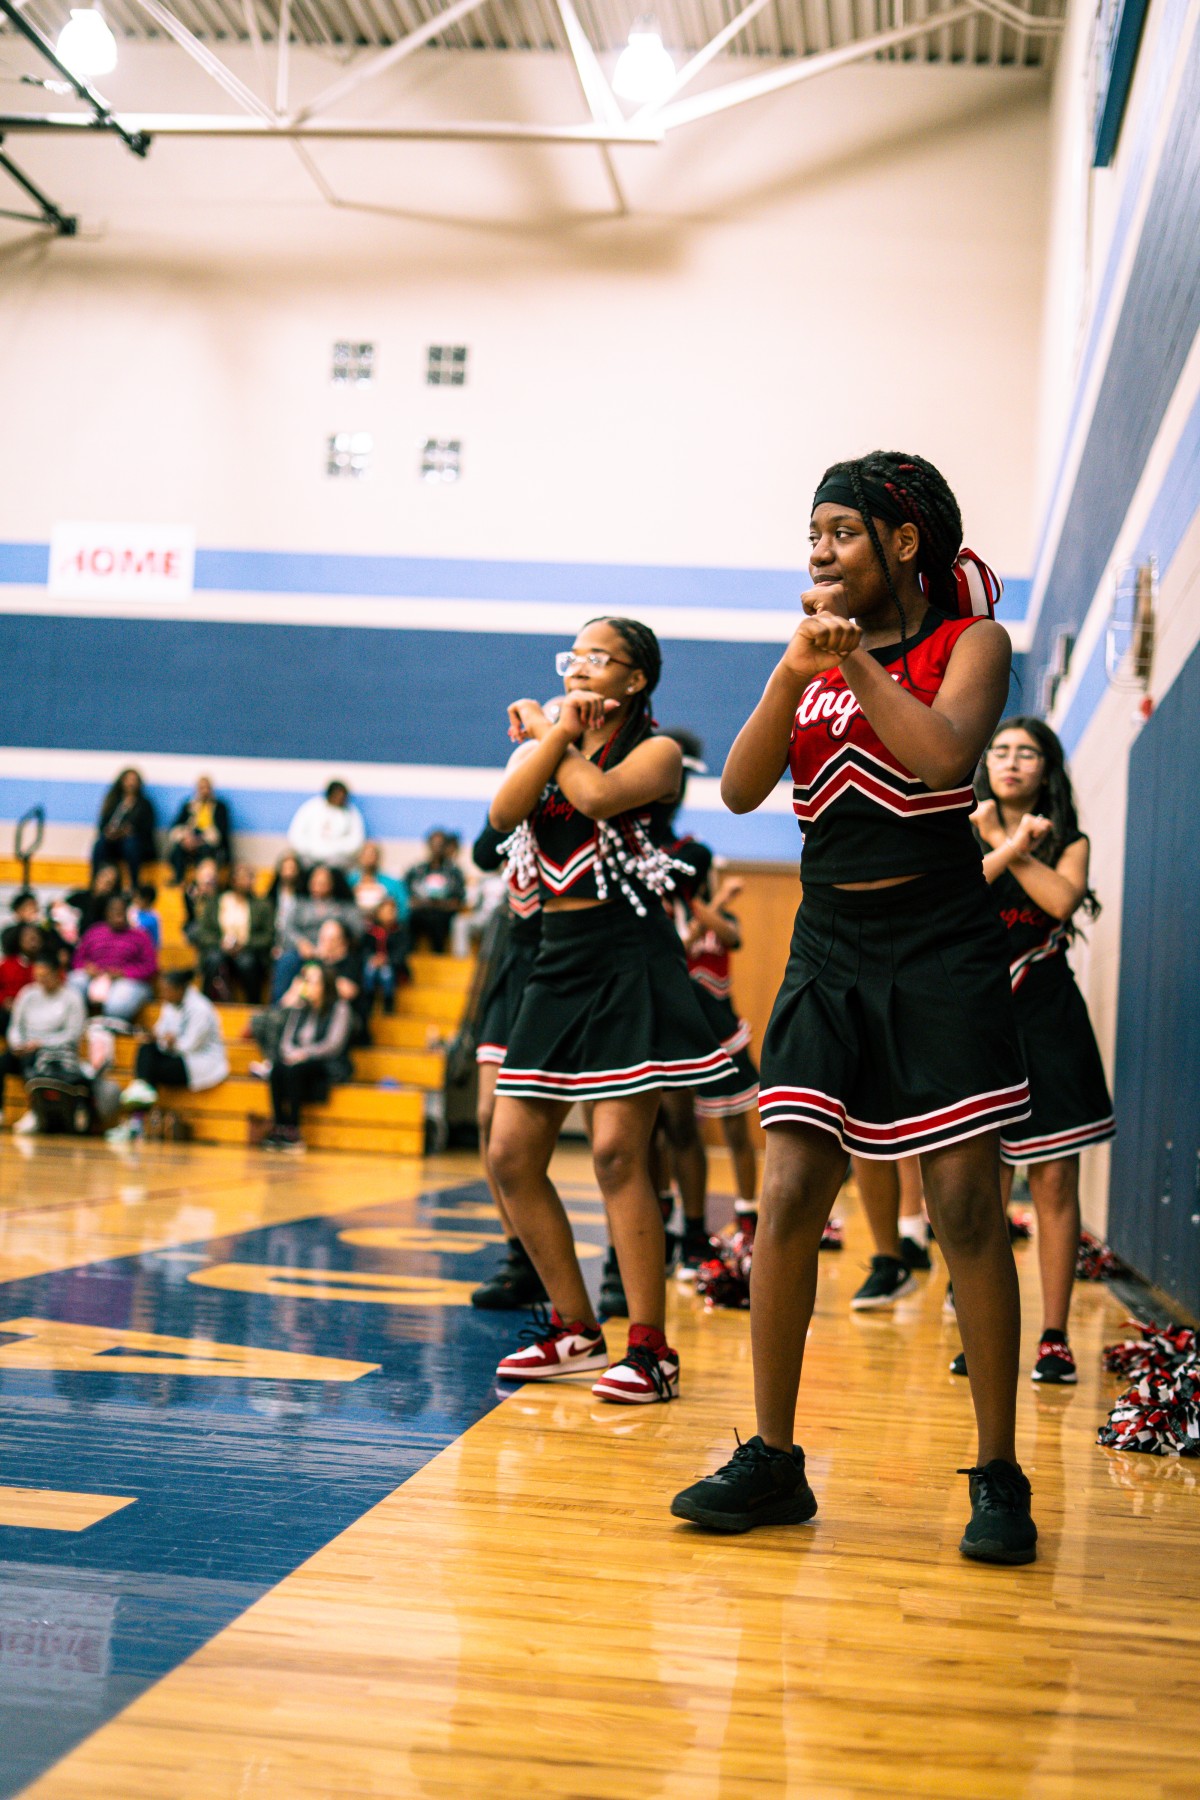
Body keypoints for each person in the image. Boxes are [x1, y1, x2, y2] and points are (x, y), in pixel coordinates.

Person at [671, 450, 1037, 1565]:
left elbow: (939, 762)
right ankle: (776, 1460)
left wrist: (857, 671)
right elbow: (737, 789)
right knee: (787, 1193)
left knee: (967, 1204)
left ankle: (999, 1471)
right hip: (828, 946)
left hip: (939, 943)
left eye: (839, 532)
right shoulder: (810, 657)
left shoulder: (969, 643)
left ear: (903, 541)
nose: (820, 553)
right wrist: (793, 674)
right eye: (813, 537)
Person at [485, 617, 734, 1405]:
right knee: (510, 1156)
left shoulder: (656, 753)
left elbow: (592, 797)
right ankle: (575, 1328)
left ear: (636, 680)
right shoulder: (550, 742)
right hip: (555, 964)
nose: (581, 667)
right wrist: (554, 734)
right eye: (575, 655)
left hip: (628, 957)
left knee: (620, 1154)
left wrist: (554, 733)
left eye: (601, 657)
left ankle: (651, 1349)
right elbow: (503, 815)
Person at [948, 716, 1115, 1387]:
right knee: (976, 1187)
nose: (1012, 762)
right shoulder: (956, 834)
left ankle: (1053, 1337)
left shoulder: (1070, 842)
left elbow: (1058, 900)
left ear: (1047, 770)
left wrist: (1006, 842)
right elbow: (961, 895)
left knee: (1052, 1181)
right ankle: (983, 1333)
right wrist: (998, 839)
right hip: (977, 1021)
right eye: (1002, 751)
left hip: (1047, 1021)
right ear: (984, 765)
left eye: (1028, 753)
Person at [468, 813, 548, 1312]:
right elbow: (482, 851)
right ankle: (519, 1255)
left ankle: (609, 1262)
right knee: (486, 1115)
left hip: (561, 956)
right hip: (512, 959)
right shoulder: (523, 783)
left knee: (532, 1130)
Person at [111, 968, 229, 1140]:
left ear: (180, 989)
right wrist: (154, 1037)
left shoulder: (201, 1008)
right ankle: (140, 1093)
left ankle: (136, 1119)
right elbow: (161, 1031)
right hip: (178, 1056)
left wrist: (171, 1041)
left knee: (149, 1071)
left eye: (167, 990)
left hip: (201, 1063)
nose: (163, 994)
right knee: (146, 1049)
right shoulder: (170, 1004)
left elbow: (189, 1046)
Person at [262, 961, 354, 1152]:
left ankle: (293, 1130)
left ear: (324, 985)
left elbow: (332, 1045)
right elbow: (286, 1040)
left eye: (311, 981)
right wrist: (292, 1054)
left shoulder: (340, 1008)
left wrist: (305, 1054)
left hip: (325, 1062)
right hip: (298, 1058)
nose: (306, 986)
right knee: (278, 1067)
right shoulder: (300, 1007)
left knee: (296, 1070)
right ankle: (279, 1125)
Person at [4, 953, 88, 1134]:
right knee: (3, 1061)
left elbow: (72, 1035)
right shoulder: (27, 994)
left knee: (33, 1063)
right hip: (25, 1047)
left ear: (57, 973)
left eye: (45, 976)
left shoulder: (72, 998)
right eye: (37, 976)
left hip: (54, 1051)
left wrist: (41, 1043)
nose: (40, 980)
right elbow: (15, 1025)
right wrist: (17, 1043)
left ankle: (34, 1111)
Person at [271, 865, 361, 1000]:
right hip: (302, 950)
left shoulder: (342, 906)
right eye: (316, 881)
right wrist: (301, 943)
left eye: (324, 881)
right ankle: (278, 1008)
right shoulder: (300, 903)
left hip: (333, 953)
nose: (319, 885)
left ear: (332, 883)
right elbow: (287, 928)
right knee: (286, 961)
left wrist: (331, 946)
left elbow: (357, 929)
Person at [69, 893, 158, 1024]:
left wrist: (123, 973)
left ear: (127, 912)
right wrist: (87, 968)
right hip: (96, 977)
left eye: (121, 910)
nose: (118, 914)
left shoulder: (141, 936)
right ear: (106, 913)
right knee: (74, 981)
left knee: (117, 1006)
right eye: (113, 910)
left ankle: (109, 1029)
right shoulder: (94, 931)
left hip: (127, 980)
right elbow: (77, 960)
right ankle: (76, 1024)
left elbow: (150, 967)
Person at [191, 862, 273, 1003]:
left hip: (248, 949)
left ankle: (253, 1004)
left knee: (247, 963)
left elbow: (268, 936)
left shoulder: (262, 905)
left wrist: (245, 943)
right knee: (213, 959)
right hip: (220, 947)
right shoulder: (215, 902)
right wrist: (220, 942)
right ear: (233, 879)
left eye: (250, 877)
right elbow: (203, 933)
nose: (247, 881)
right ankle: (206, 1003)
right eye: (243, 877)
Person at [405, 830, 467, 954]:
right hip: (420, 914)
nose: (437, 848)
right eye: (434, 844)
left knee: (439, 921)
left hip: (443, 916)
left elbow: (458, 901)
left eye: (441, 844)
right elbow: (408, 898)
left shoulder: (454, 872)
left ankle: (438, 962)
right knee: (408, 920)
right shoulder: (416, 870)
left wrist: (435, 904)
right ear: (428, 845)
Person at [92, 769, 157, 884]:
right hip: (114, 844)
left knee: (130, 844)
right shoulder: (113, 802)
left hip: (136, 845)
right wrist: (109, 832)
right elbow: (102, 825)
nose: (131, 783)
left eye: (134, 780)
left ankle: (134, 884)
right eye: (128, 780)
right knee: (99, 844)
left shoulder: (144, 804)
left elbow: (147, 829)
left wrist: (128, 831)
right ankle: (94, 882)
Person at [287, 780, 366, 871]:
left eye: (342, 796)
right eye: (337, 795)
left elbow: (356, 841)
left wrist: (334, 850)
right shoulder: (312, 807)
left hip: (337, 864)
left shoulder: (351, 812)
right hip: (308, 860)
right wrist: (312, 850)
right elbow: (295, 834)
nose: (340, 799)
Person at [167, 776, 231, 884]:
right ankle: (179, 879)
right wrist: (185, 839)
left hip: (209, 843)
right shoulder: (188, 805)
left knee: (205, 852)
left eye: (207, 787)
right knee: (177, 851)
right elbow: (175, 826)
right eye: (202, 788)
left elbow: (221, 832)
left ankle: (200, 882)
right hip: (189, 838)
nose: (204, 791)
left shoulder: (220, 807)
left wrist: (199, 840)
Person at [360, 897, 410, 1015]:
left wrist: (387, 960)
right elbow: (364, 949)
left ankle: (388, 999)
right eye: (385, 911)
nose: (389, 915)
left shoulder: (400, 932)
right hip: (373, 964)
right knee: (369, 970)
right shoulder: (370, 931)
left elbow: (402, 952)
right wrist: (371, 958)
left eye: (392, 911)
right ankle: (369, 997)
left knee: (386, 973)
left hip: (393, 966)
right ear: (378, 913)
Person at [0, 923, 43, 1038]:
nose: (32, 939)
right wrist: (4, 1000)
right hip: (10, 1009)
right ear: (19, 940)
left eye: (36, 936)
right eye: (28, 936)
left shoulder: (47, 965)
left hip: (38, 1008)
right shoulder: (7, 964)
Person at [350, 842, 408, 916]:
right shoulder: (349, 882)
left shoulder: (393, 883)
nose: (369, 859)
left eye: (372, 855)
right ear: (359, 857)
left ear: (378, 857)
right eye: (365, 855)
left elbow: (402, 905)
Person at [64, 864, 121, 937]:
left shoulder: (112, 906)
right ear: (96, 877)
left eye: (112, 882)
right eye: (104, 876)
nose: (107, 882)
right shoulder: (79, 897)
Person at [130, 882, 162, 950]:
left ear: (146, 899)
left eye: (138, 897)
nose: (135, 900)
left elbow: (156, 941)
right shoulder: (131, 910)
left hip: (145, 950)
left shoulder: (154, 917)